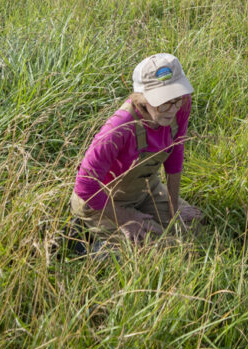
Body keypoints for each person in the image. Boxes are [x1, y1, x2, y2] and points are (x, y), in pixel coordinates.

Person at [70, 52, 204, 244]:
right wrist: (125, 219)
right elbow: (85, 185)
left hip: (146, 190)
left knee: (191, 230)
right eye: (163, 102)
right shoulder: (119, 127)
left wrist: (174, 207)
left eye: (176, 99)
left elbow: (176, 152)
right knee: (154, 246)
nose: (172, 108)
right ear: (141, 98)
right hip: (104, 202)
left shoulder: (182, 103)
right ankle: (83, 242)